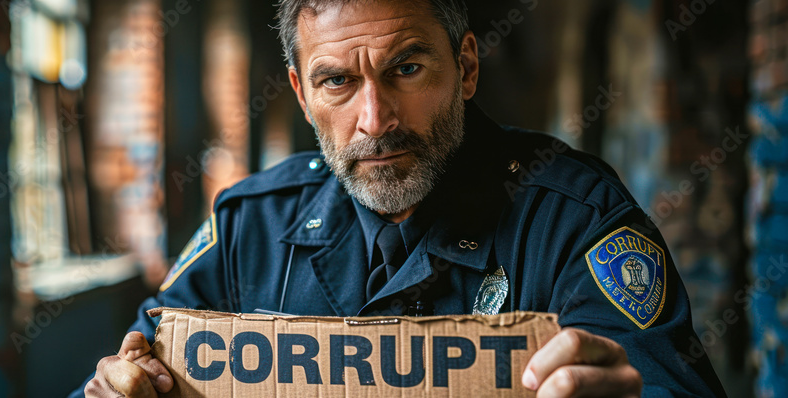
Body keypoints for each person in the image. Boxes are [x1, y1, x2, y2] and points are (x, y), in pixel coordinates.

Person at [76, 0, 727, 396]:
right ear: (303, 95)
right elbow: (135, 368)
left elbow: (670, 386)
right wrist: (116, 387)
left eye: (406, 69)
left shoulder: (574, 219)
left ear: (466, 68)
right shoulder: (251, 227)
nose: (375, 118)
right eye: (337, 81)